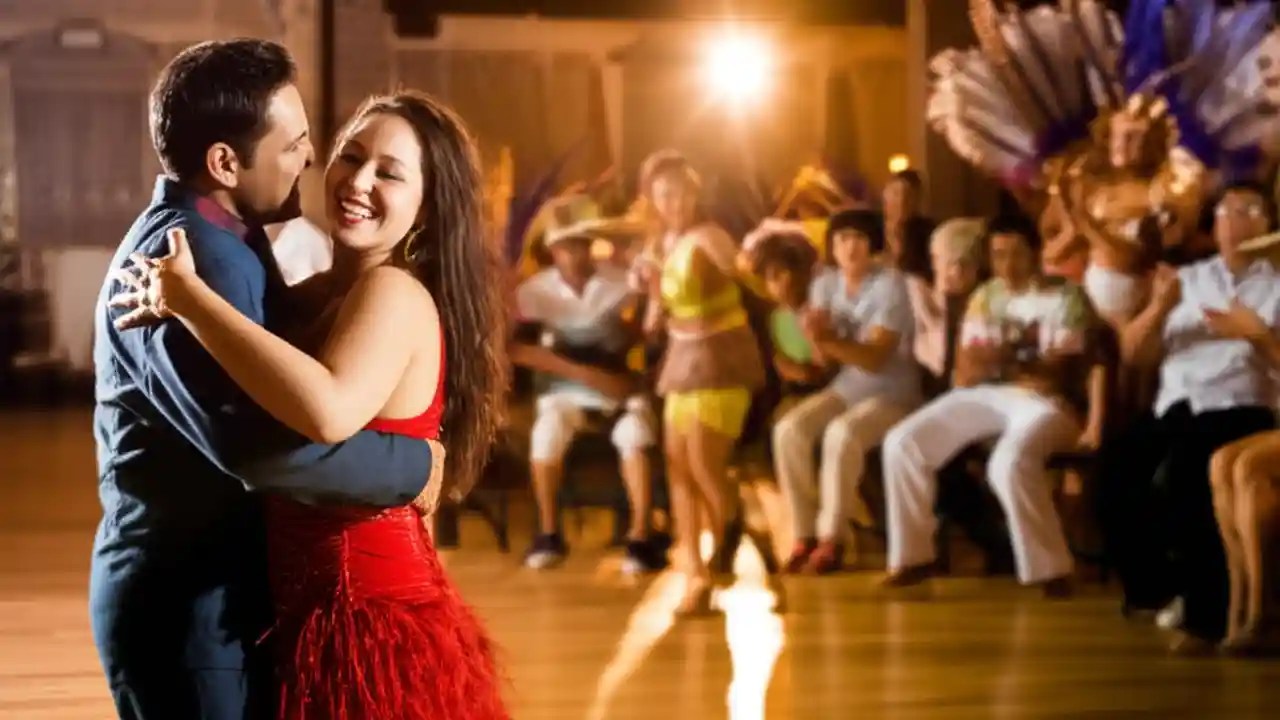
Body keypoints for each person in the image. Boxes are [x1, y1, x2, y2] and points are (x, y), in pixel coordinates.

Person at [110, 89, 509, 717]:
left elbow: (327, 413)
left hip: (370, 622)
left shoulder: (395, 293)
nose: (359, 181)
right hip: (303, 617)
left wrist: (191, 302)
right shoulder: (309, 293)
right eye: (352, 157)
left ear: (427, 208)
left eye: (391, 173)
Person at [880, 214, 1097, 597]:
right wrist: (1017, 360)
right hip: (986, 394)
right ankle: (913, 556)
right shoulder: (986, 296)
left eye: (1017, 254)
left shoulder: (1066, 296)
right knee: (902, 442)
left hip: (1047, 402)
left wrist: (1000, 358)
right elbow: (966, 370)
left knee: (1008, 462)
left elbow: (1056, 373)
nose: (1008, 265)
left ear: (1035, 253)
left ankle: (1051, 569)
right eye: (999, 255)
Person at [1109, 182, 1280, 654]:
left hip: (1238, 402)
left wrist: (1253, 334)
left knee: (1183, 476)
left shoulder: (1275, 283)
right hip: (1177, 401)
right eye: (1226, 212)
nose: (1235, 221)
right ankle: (1160, 590)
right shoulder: (1190, 279)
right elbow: (1134, 353)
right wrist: (1161, 307)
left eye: (1249, 211)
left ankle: (1207, 614)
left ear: (1268, 225)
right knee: (1117, 468)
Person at [631, 150, 776, 615]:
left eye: (680, 191)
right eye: (664, 194)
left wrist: (758, 269)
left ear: (694, 193)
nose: (673, 201)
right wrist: (650, 291)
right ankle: (695, 571)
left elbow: (749, 278)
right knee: (677, 465)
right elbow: (655, 320)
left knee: (704, 463)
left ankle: (731, 538)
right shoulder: (661, 245)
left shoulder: (709, 236)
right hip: (681, 358)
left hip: (720, 358)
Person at [511, 194, 665, 574]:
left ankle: (640, 537)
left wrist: (630, 356)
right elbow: (514, 348)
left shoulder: (620, 282)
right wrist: (585, 374)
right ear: (553, 249)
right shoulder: (534, 293)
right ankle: (548, 533)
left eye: (581, 243)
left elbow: (649, 330)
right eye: (566, 245)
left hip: (619, 386)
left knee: (634, 432)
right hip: (564, 388)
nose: (576, 253)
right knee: (546, 432)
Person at [771, 209, 920, 574]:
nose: (849, 246)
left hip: (893, 392)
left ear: (872, 245)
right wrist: (815, 337)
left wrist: (826, 339)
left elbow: (874, 357)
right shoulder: (826, 284)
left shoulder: (891, 284)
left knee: (843, 433)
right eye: (840, 239)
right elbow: (825, 356)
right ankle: (803, 534)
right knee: (788, 430)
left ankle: (831, 539)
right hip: (847, 386)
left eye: (858, 238)